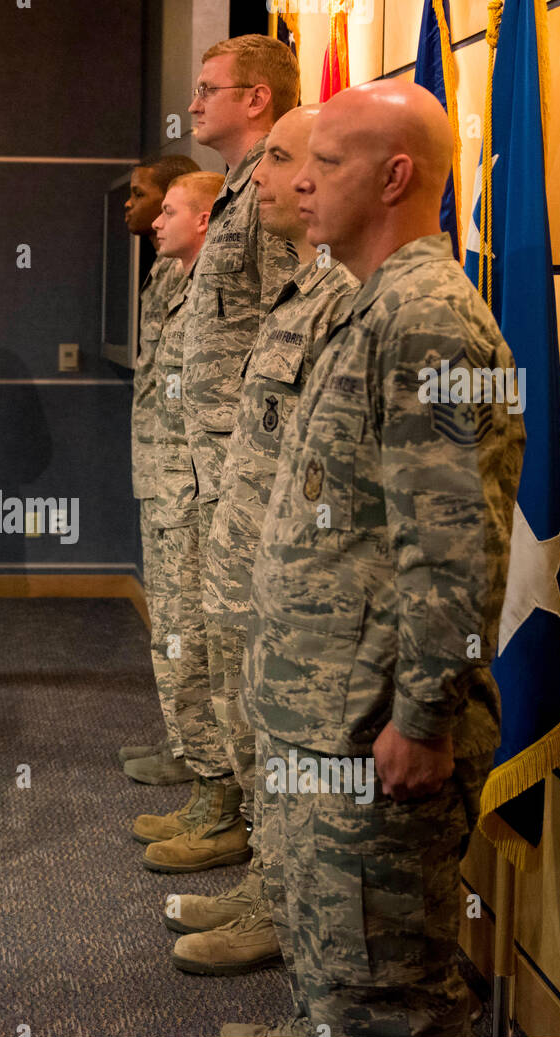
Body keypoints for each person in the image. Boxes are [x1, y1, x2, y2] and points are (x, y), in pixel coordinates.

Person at [230, 80, 525, 1037]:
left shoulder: (426, 320)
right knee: (336, 975)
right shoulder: (369, 308)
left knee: (384, 999)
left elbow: (449, 548)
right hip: (324, 717)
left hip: (371, 732)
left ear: (396, 176)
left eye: (327, 162)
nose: (301, 184)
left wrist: (424, 716)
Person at [170, 106, 359, 977]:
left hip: (296, 588)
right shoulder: (302, 289)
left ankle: (282, 906)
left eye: (287, 160)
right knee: (253, 738)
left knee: (286, 755)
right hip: (249, 555)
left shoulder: (353, 300)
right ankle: (269, 884)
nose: (278, 180)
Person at [137, 34, 299, 873]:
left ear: (257, 100)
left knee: (243, 668)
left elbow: (289, 343)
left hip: (250, 481)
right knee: (213, 654)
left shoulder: (271, 198)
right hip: (209, 475)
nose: (192, 106)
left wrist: (249, 475)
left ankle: (252, 848)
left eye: (208, 91)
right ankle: (226, 809)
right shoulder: (241, 194)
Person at [127, 171, 230, 856]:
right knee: (171, 631)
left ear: (205, 220)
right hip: (162, 479)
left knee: (193, 637)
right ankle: (188, 751)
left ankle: (217, 795)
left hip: (196, 490)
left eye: (169, 211)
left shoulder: (224, 292)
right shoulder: (168, 279)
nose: (156, 222)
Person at [118, 152, 200, 786]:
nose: (132, 204)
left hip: (192, 477)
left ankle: (198, 754)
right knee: (169, 618)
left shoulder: (205, 274)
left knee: (186, 621)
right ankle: (182, 739)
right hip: (162, 468)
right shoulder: (165, 272)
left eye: (146, 195)